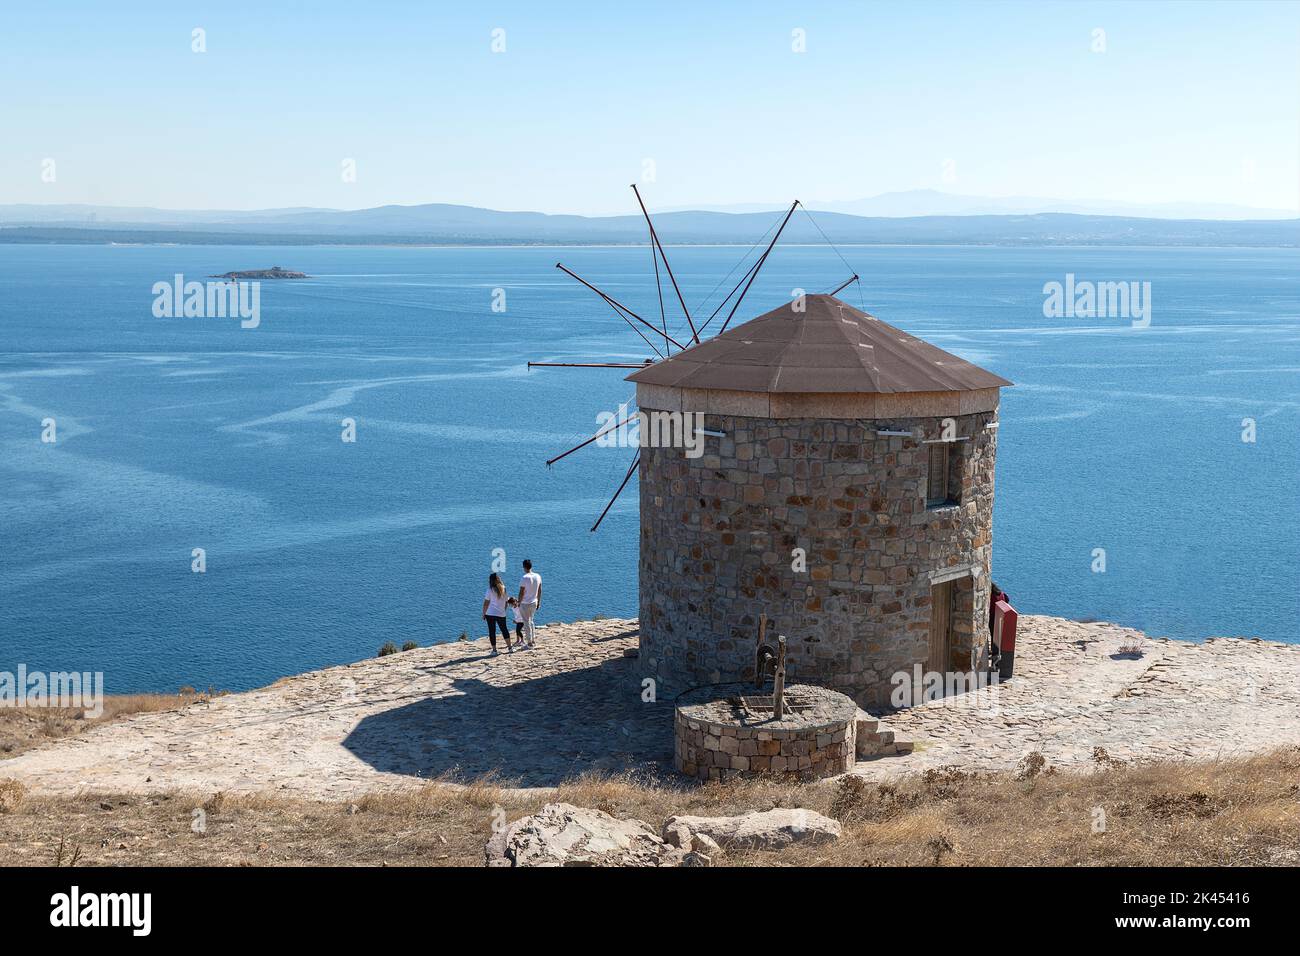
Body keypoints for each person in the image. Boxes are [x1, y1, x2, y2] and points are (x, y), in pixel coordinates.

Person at [515, 559, 542, 648]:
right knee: (531, 621)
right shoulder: (538, 576)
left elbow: (521, 592)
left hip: (525, 603)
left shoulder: (525, 577)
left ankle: (529, 643)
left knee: (526, 622)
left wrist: (519, 602)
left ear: (524, 567)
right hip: (534, 602)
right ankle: (533, 640)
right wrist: (539, 601)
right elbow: (540, 590)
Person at [482, 572, 511, 655]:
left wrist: (483, 613)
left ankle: (494, 650)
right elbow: (506, 602)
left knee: (492, 631)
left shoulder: (489, 590)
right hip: (501, 613)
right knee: (504, 630)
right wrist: (504, 610)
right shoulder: (504, 588)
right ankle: (510, 647)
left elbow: (486, 603)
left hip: (490, 614)